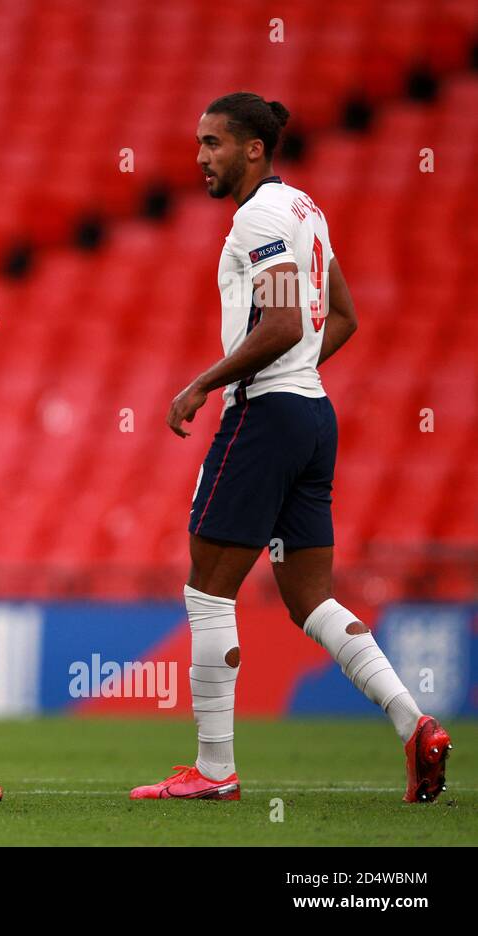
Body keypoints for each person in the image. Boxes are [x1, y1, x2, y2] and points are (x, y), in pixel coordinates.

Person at [134, 92, 450, 803]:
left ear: (253, 149)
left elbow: (279, 324)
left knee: (207, 588)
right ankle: (415, 723)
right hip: (312, 417)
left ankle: (214, 771)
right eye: (197, 143)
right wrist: (299, 373)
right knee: (310, 600)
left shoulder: (260, 217)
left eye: (213, 143)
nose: (200, 158)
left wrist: (202, 385)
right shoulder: (307, 210)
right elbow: (344, 316)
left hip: (267, 417)